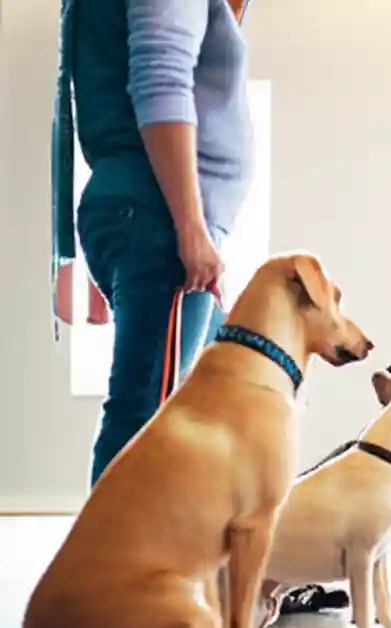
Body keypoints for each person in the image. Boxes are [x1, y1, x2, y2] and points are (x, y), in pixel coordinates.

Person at [51, 0, 254, 486]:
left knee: (186, 409)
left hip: (141, 213)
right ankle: (107, 563)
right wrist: (188, 227)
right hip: (157, 217)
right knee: (145, 421)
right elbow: (160, 81)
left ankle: (166, 556)